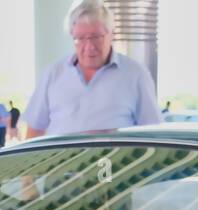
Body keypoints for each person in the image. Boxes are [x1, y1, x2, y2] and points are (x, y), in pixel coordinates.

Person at [24, 0, 161, 138]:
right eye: (81, 38)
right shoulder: (53, 73)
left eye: (96, 37)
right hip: (60, 159)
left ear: (111, 34)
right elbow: (34, 130)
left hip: (115, 159)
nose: (89, 46)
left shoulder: (136, 74)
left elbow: (153, 133)